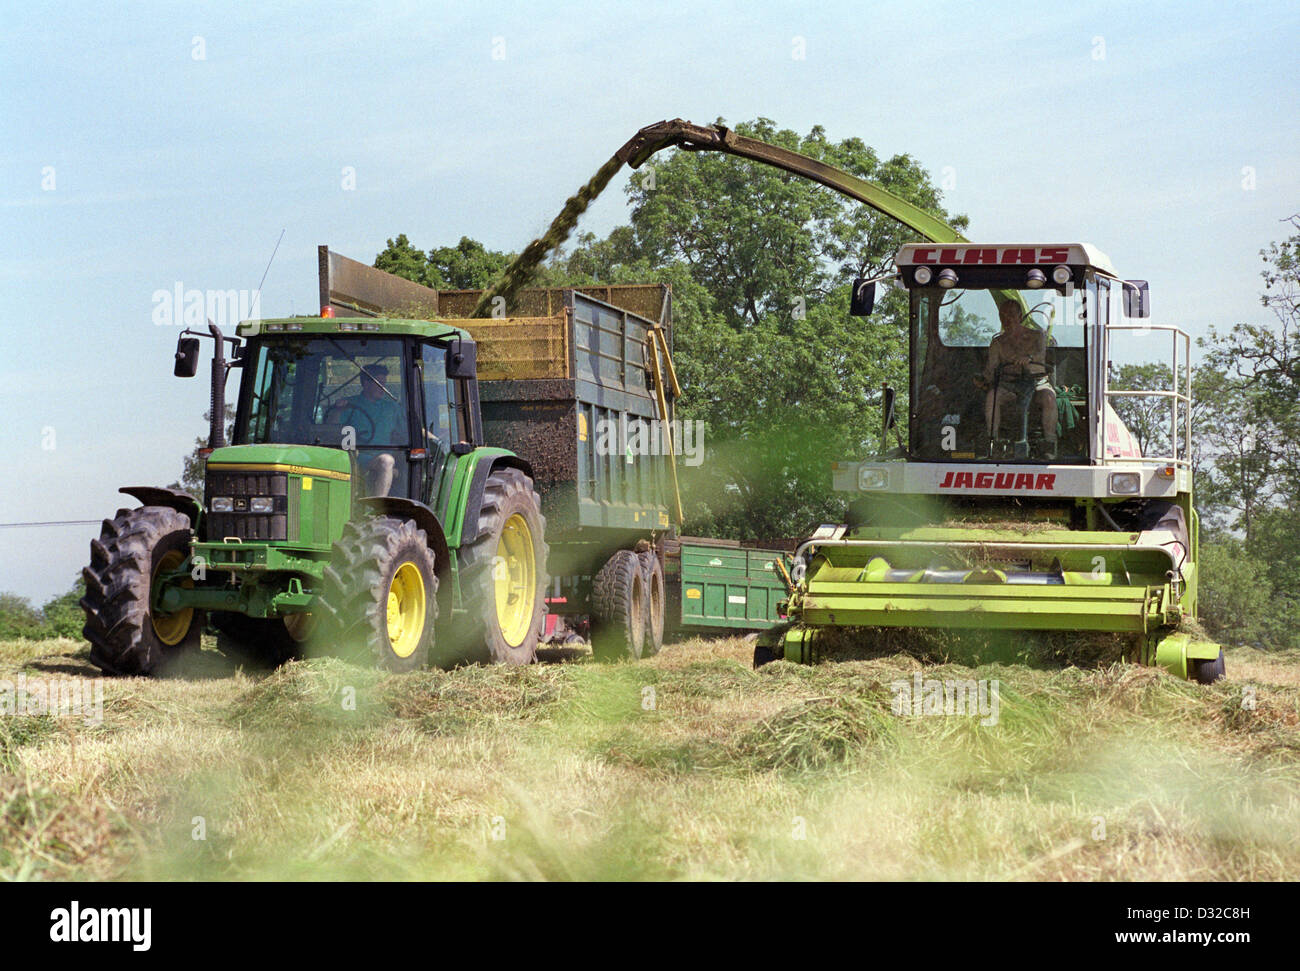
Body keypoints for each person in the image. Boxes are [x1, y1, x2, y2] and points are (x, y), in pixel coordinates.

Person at [976, 301, 1057, 458]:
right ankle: (993, 443)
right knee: (993, 397)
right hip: (1009, 385)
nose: (1007, 319)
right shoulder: (998, 343)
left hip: (1037, 384)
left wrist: (1029, 358)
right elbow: (991, 369)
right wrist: (983, 380)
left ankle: (1049, 445)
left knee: (1049, 397)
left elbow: (1040, 356)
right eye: (1003, 316)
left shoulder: (1037, 336)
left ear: (1020, 316)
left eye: (1011, 315)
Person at [328, 362, 402, 495]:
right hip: (356, 458)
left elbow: (410, 428)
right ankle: (379, 509)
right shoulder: (350, 404)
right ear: (366, 384)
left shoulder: (392, 407)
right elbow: (330, 429)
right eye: (379, 383)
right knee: (387, 461)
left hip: (384, 459)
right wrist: (337, 411)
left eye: (384, 383)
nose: (383, 388)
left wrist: (436, 439)